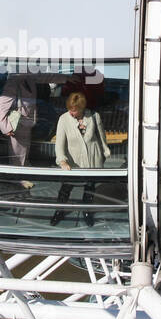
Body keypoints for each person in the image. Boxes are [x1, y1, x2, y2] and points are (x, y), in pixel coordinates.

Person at [52, 91, 110, 226]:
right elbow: (59, 143)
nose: (71, 113)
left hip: (92, 159)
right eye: (70, 109)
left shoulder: (94, 116)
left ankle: (87, 212)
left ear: (82, 108)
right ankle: (59, 212)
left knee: (89, 189)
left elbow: (102, 137)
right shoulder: (63, 119)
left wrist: (104, 153)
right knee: (66, 188)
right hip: (73, 161)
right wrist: (62, 160)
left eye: (75, 110)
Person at [0, 74, 38, 168]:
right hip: (17, 124)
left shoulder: (28, 78)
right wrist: (6, 128)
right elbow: (1, 106)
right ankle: (19, 177)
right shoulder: (14, 81)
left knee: (23, 152)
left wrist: (66, 78)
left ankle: (23, 171)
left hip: (26, 122)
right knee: (17, 154)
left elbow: (44, 77)